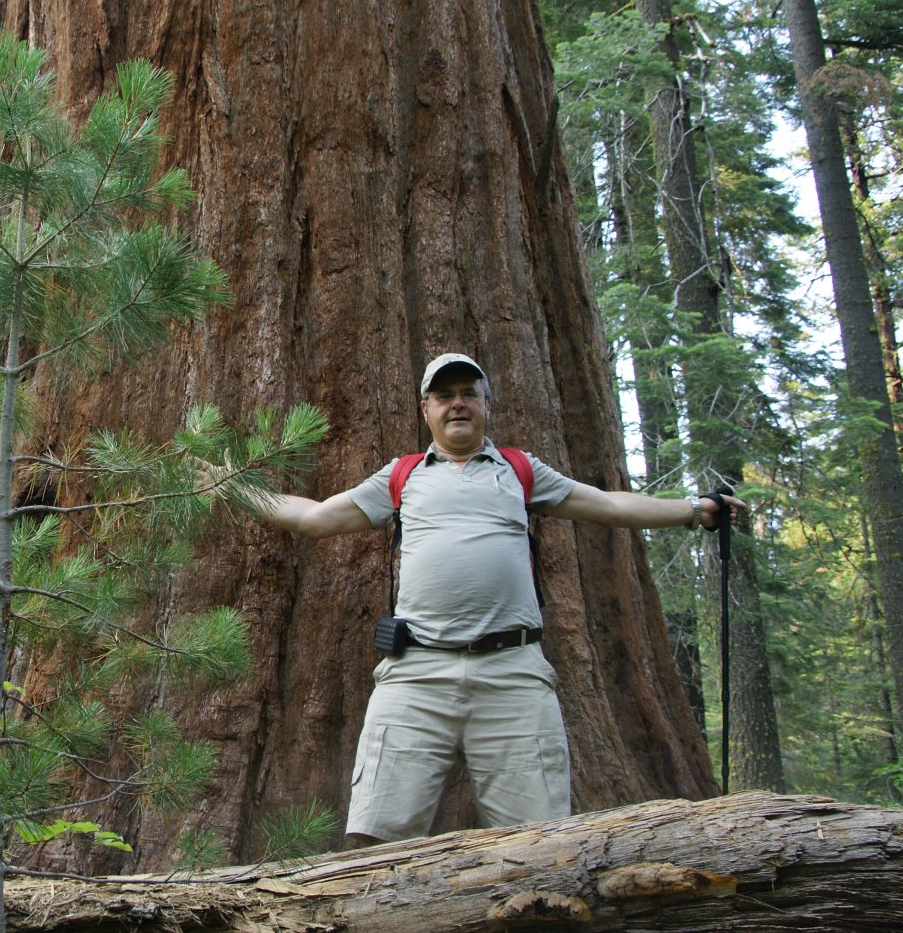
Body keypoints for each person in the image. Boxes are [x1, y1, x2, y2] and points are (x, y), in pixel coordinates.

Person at [210, 353, 745, 846]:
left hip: (513, 677)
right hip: (415, 679)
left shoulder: (520, 471)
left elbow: (607, 504)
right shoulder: (401, 477)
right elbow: (312, 518)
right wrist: (223, 485)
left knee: (541, 848)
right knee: (375, 844)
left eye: (468, 392)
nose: (457, 403)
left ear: (486, 404)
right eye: (444, 396)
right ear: (427, 410)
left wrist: (695, 510)